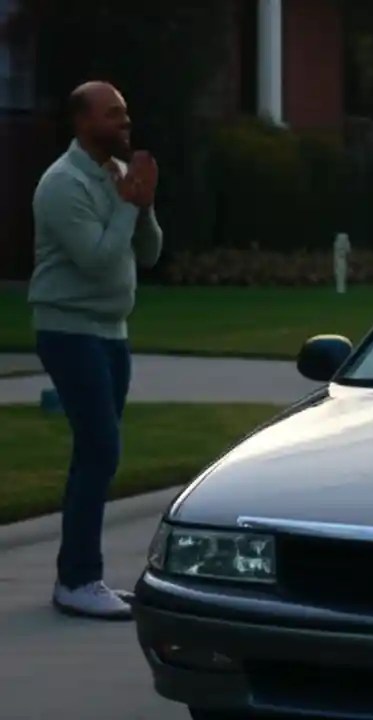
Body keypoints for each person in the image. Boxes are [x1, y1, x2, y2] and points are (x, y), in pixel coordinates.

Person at [27, 81, 162, 619]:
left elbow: (148, 255)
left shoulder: (118, 176)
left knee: (96, 454)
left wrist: (144, 205)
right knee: (101, 449)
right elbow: (98, 260)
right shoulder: (61, 185)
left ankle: (79, 576)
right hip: (68, 329)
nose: (125, 122)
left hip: (111, 332)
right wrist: (128, 208)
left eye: (126, 112)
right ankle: (79, 579)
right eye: (114, 115)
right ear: (84, 122)